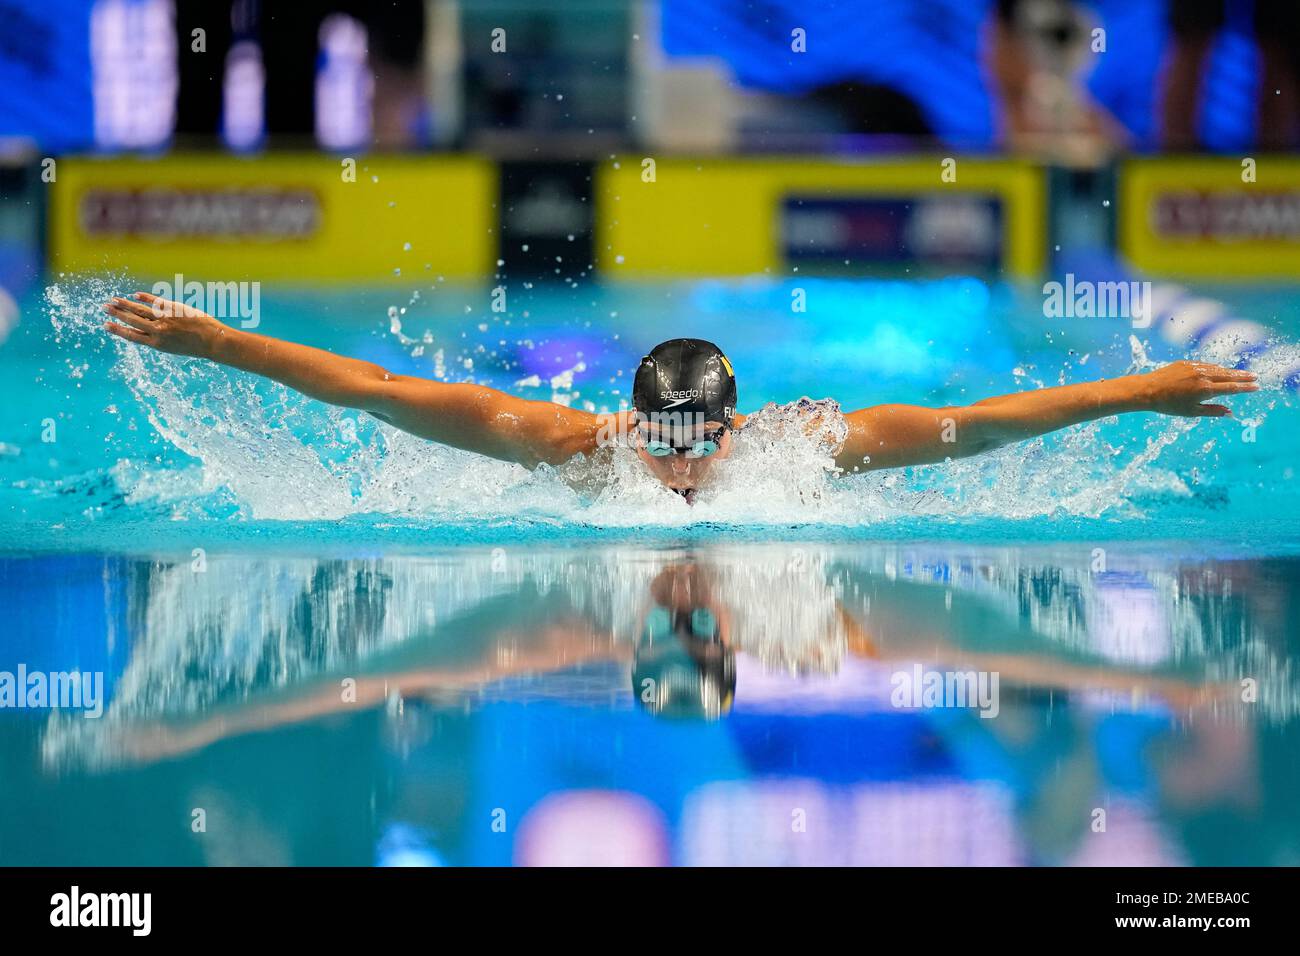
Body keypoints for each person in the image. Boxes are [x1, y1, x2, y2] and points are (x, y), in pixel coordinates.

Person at [102, 291, 1259, 503]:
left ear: (733, 423)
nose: (679, 469)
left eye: (695, 444)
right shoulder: (565, 446)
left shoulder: (804, 449)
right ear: (629, 420)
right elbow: (376, 388)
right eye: (659, 444)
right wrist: (215, 340)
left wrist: (1137, 384)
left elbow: (981, 428)